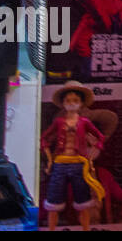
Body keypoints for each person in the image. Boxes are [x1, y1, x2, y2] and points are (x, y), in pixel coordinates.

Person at [40, 82, 106, 230]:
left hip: (79, 165)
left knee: (83, 202)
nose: (71, 104)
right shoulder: (58, 122)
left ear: (81, 103)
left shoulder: (84, 122)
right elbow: (44, 138)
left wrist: (96, 149)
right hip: (60, 164)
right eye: (68, 100)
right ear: (63, 103)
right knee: (53, 202)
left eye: (75, 100)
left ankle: (86, 229)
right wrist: (50, 159)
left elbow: (100, 137)